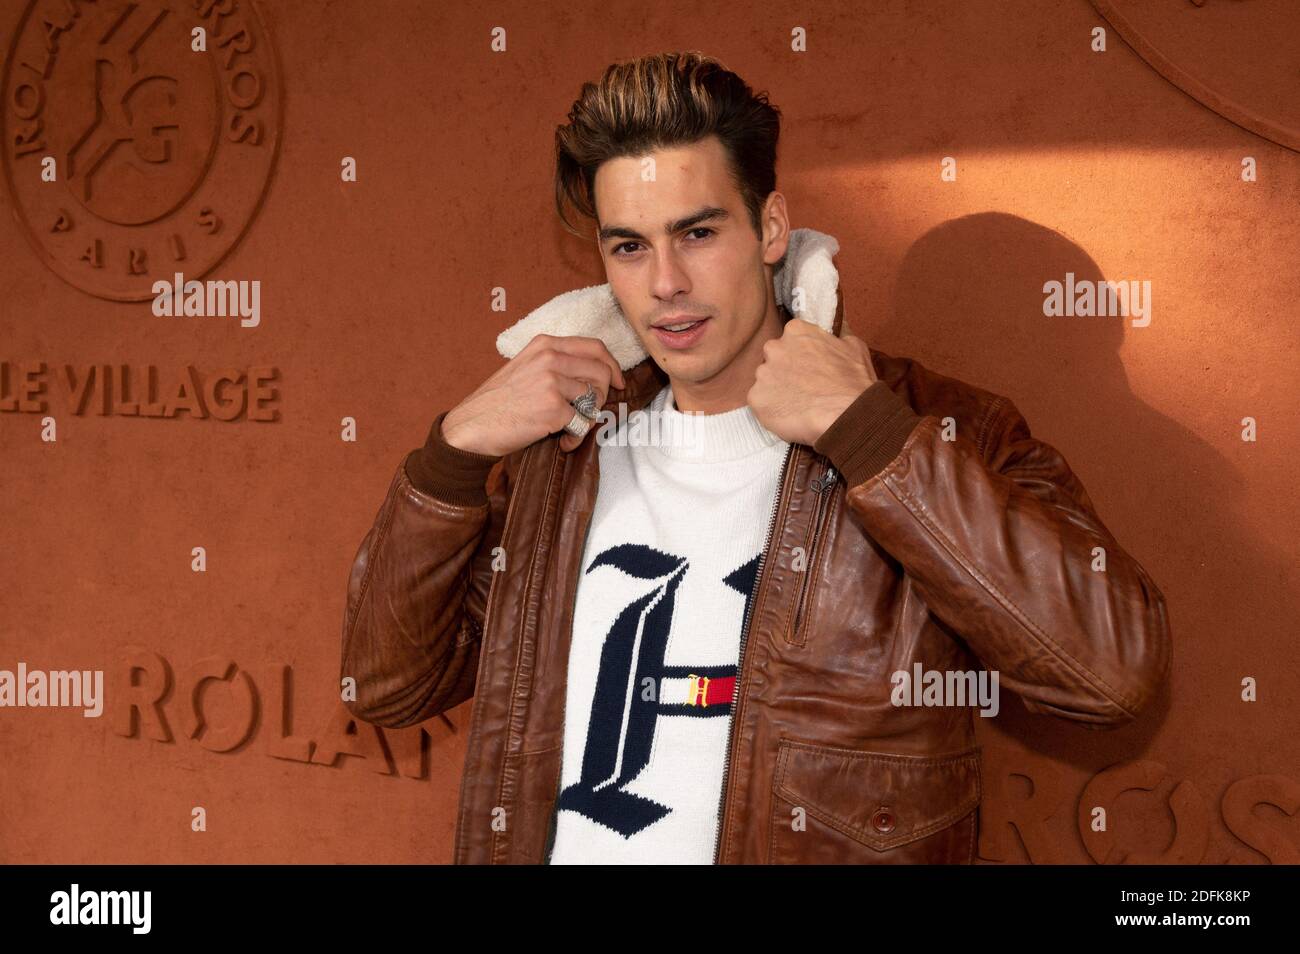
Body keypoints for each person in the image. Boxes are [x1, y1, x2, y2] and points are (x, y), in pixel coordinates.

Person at [340, 51, 1171, 864]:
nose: (665, 282)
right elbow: (388, 689)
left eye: (697, 233)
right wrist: (449, 458)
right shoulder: (568, 452)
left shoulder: (938, 431)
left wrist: (868, 436)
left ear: (771, 227)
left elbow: (1110, 678)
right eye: (628, 246)